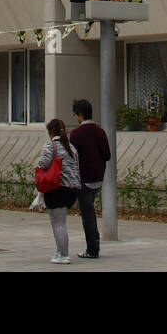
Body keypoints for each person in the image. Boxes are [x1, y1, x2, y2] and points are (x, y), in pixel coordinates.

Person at [70, 98, 111, 259]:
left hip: (83, 178)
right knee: (90, 210)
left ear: (80, 115)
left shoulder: (76, 134)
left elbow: (71, 157)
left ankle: (92, 249)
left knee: (87, 214)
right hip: (99, 178)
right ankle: (93, 246)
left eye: (75, 114)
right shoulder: (100, 132)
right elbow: (107, 155)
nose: (75, 117)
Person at [35, 118, 81, 264]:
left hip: (57, 188)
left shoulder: (50, 145)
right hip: (73, 189)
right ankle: (59, 251)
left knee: (58, 223)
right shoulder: (71, 147)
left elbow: (43, 163)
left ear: (50, 132)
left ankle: (64, 254)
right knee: (60, 221)